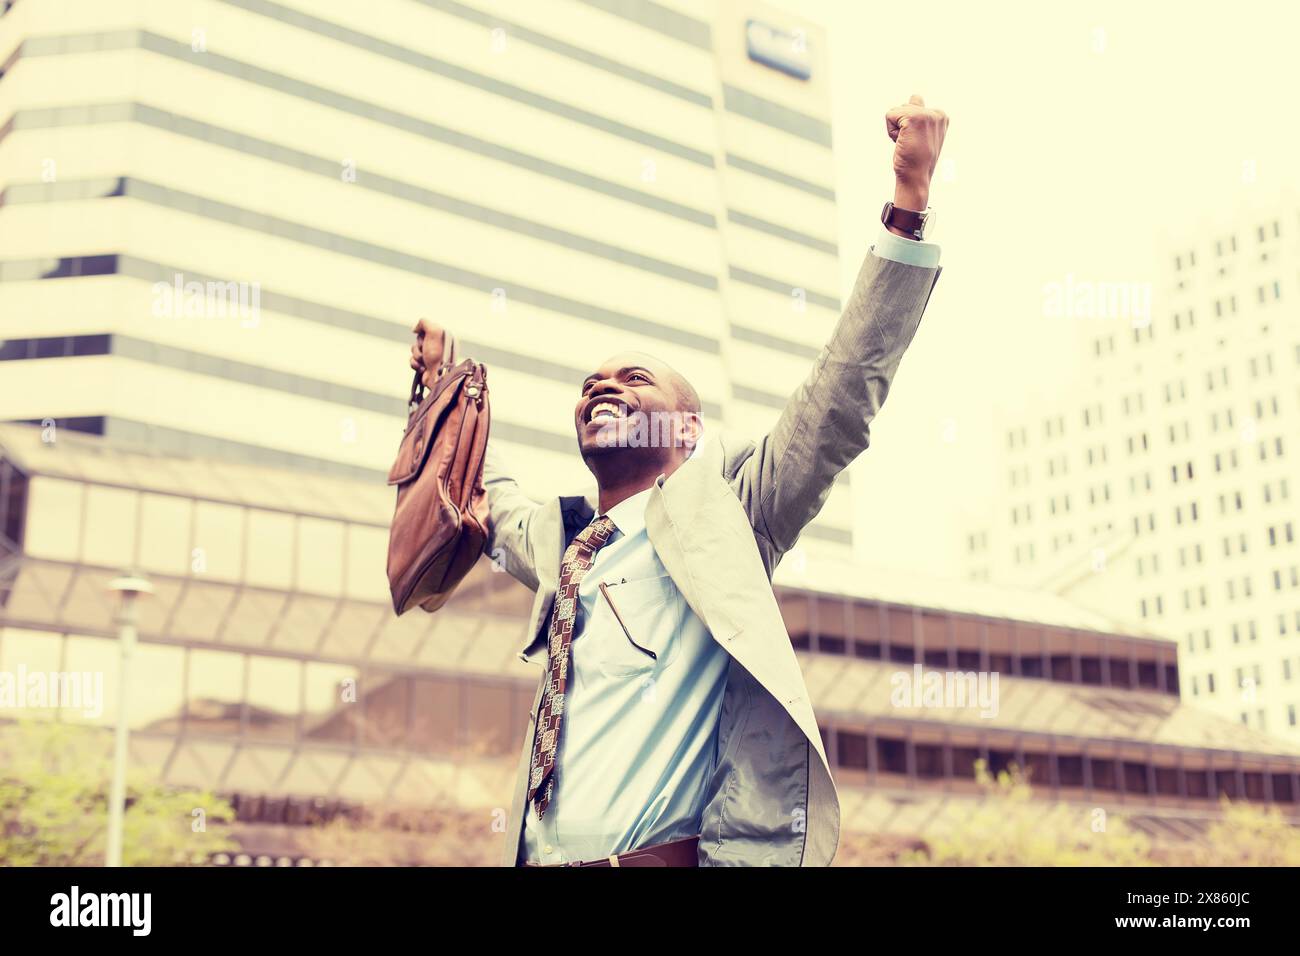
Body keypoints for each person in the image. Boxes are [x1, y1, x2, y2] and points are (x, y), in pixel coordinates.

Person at [410, 96, 948, 866]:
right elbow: (479, 491)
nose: (604, 387)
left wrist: (907, 209)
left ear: (687, 431)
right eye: (590, 383)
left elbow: (837, 398)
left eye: (634, 380)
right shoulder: (562, 545)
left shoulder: (735, 512)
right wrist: (441, 383)